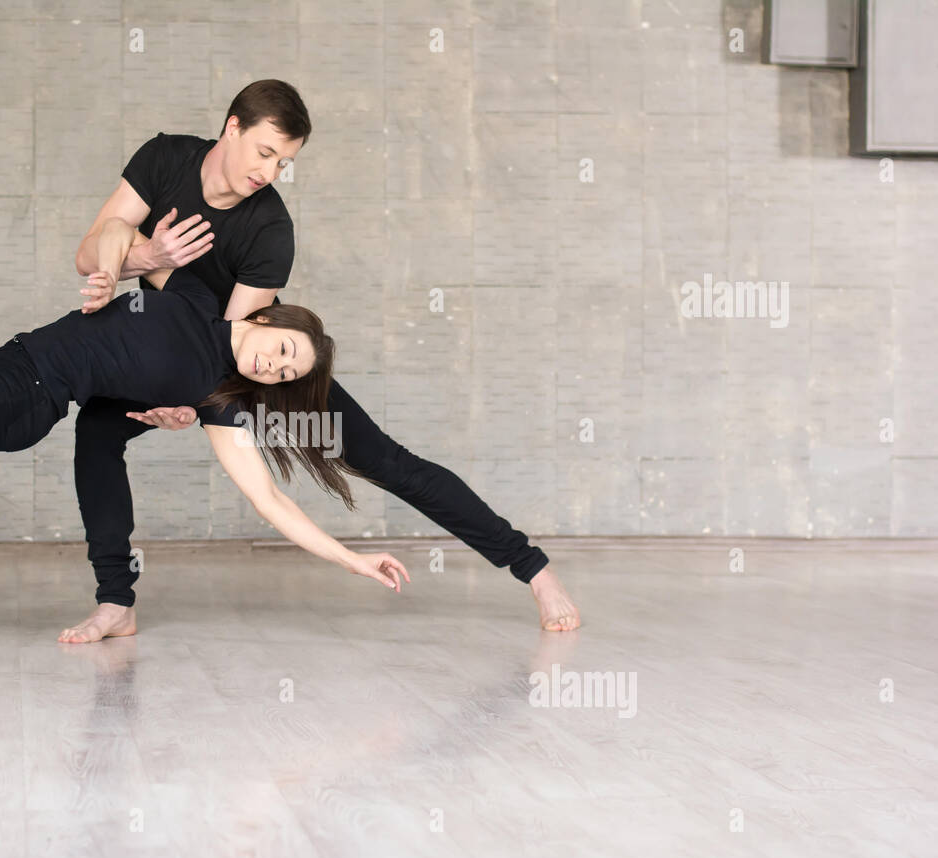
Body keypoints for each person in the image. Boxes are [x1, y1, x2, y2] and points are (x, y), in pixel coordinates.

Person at [63, 79, 580, 644]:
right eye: (265, 153)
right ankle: (116, 602)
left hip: (262, 361)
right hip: (161, 343)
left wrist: (185, 404)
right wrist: (148, 256)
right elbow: (89, 253)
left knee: (386, 461)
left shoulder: (270, 228)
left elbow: (227, 354)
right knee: (96, 431)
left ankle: (534, 569)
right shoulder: (163, 158)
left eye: (285, 163)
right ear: (231, 126)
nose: (270, 172)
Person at [0, 218, 410, 669]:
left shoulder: (218, 400)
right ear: (269, 321)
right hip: (9, 367)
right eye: (282, 352)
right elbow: (121, 231)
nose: (272, 368)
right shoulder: (198, 299)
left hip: (22, 396)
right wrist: (109, 268)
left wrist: (356, 561)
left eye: (284, 376)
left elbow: (271, 503)